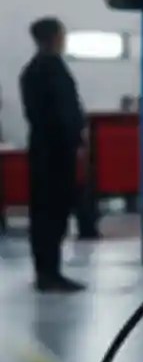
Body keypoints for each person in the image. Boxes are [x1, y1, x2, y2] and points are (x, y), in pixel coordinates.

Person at [19, 17, 86, 293]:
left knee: (46, 213)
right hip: (55, 153)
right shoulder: (51, 70)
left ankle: (47, 271)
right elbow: (63, 113)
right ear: (54, 37)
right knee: (52, 213)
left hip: (43, 150)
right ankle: (49, 274)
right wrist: (76, 139)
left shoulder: (31, 70)